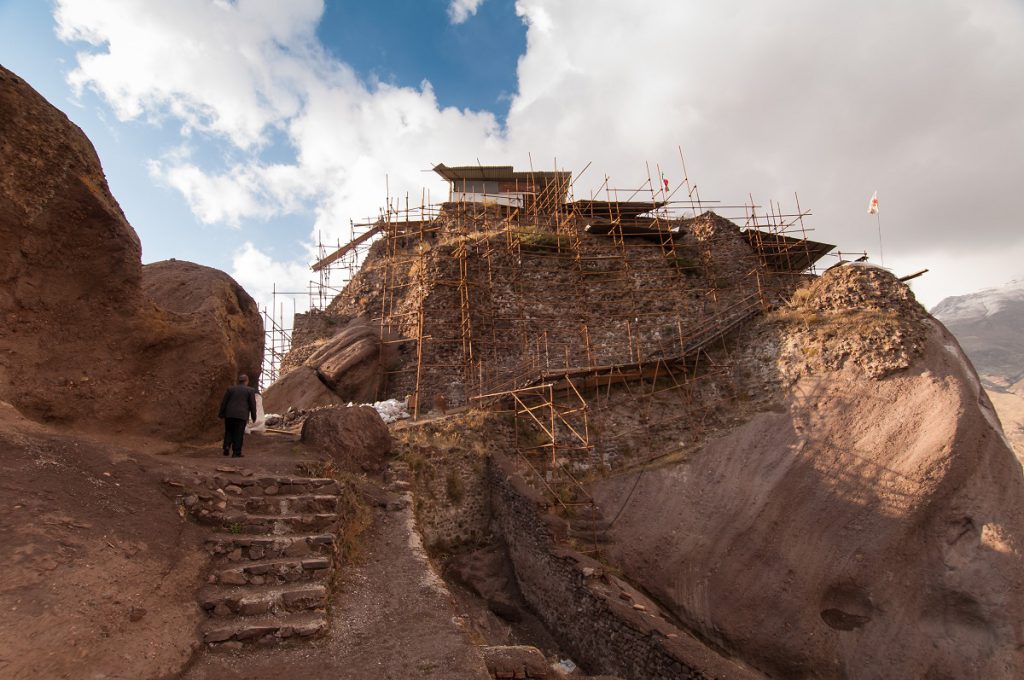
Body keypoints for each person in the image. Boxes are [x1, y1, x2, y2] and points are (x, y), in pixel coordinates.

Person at [218, 374, 257, 457]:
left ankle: (227, 446)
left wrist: (221, 413)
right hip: (241, 415)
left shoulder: (230, 389)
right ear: (246, 381)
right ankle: (236, 452)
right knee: (238, 433)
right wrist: (254, 416)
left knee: (229, 431)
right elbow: (252, 405)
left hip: (229, 414)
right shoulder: (250, 390)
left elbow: (224, 402)